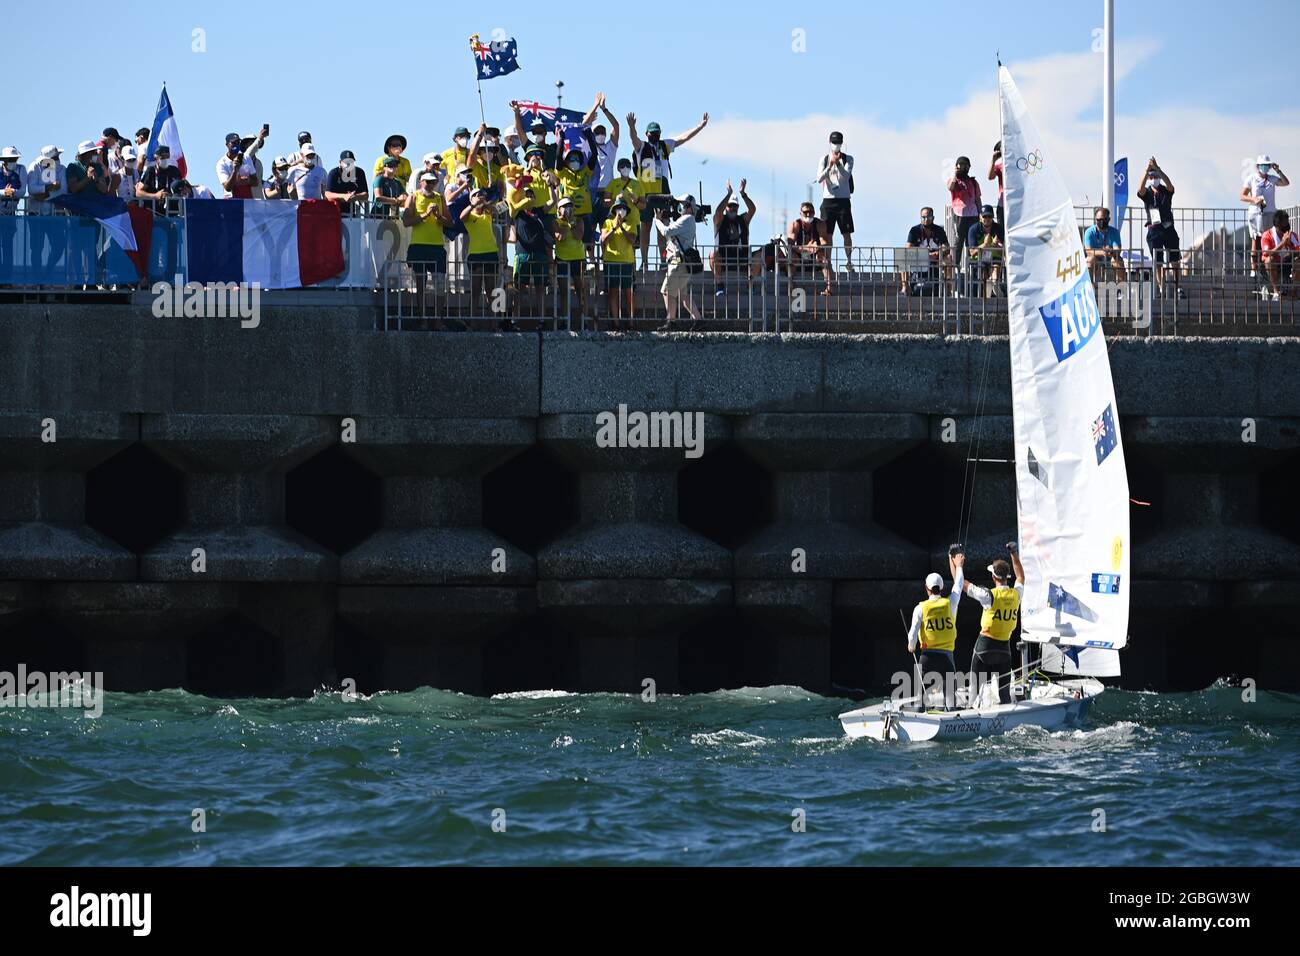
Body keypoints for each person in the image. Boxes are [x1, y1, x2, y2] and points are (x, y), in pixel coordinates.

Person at [626, 111, 708, 269]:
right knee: (645, 227)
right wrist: (631, 126)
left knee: (662, 226)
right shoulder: (642, 147)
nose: (655, 136)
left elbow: (683, 138)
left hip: (662, 191)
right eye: (652, 133)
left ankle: (663, 261)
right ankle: (644, 261)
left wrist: (700, 126)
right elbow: (633, 139)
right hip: (645, 191)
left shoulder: (664, 146)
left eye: (657, 133)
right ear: (647, 134)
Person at [961, 543, 1024, 706]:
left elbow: (962, 584)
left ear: (993, 577)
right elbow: (1020, 576)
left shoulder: (988, 595)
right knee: (1004, 694)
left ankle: (971, 710)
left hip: (985, 646)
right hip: (1004, 648)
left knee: (974, 687)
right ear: (1006, 577)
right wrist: (1014, 554)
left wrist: (956, 565)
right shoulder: (1016, 594)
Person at [906, 552, 965, 710]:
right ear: (942, 588)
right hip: (947, 656)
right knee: (950, 701)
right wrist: (958, 566)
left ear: (927, 589)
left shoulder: (920, 608)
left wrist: (911, 645)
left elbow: (913, 632)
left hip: (927, 656)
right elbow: (959, 584)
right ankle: (950, 712)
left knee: (920, 698)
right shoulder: (951, 603)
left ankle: (919, 711)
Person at [402, 171, 453, 320]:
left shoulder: (439, 198)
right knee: (420, 286)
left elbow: (450, 222)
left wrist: (437, 216)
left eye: (433, 182)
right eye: (427, 182)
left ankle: (438, 320)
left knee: (439, 286)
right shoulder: (413, 197)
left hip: (437, 247)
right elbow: (406, 221)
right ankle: (422, 319)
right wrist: (425, 214)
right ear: (420, 182)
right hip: (419, 246)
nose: (430, 185)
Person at [653, 193, 703, 330]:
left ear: (691, 208)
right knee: (683, 294)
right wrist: (665, 220)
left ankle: (671, 321)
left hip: (678, 263)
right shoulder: (687, 220)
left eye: (685, 205)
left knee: (666, 291)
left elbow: (666, 232)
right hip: (682, 263)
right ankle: (698, 320)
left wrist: (657, 220)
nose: (681, 206)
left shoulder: (686, 219)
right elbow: (673, 232)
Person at [1136, 157, 1183, 299]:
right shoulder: (1147, 193)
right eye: (1152, 176)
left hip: (1168, 228)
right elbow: (1140, 189)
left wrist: (1158, 169)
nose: (1154, 178)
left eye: (1156, 176)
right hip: (1154, 229)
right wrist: (1147, 170)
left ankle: (1177, 287)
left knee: (1175, 260)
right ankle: (1162, 287)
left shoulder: (1165, 190)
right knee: (1158, 261)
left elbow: (1170, 185)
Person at [1241, 155, 1290, 277]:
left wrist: (1278, 170)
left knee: (1270, 238)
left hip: (1270, 212)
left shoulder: (1272, 179)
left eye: (1267, 165)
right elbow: (1242, 196)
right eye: (1263, 165)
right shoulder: (1251, 178)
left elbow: (1286, 183)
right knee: (1255, 240)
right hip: (1256, 213)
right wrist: (1254, 199)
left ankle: (1269, 264)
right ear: (1258, 166)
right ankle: (1254, 268)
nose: (1265, 167)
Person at [816, 131, 855, 273]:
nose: (836, 145)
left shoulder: (848, 158)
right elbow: (819, 178)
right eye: (834, 142)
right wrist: (830, 165)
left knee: (846, 232)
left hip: (843, 201)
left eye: (839, 143)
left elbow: (846, 176)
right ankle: (829, 263)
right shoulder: (824, 159)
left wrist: (838, 164)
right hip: (828, 201)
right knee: (828, 234)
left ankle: (849, 262)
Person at [711, 179, 758, 297]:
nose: (732, 208)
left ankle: (750, 285)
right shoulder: (720, 220)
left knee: (759, 256)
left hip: (741, 257)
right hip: (724, 257)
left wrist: (743, 194)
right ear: (726, 207)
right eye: (730, 206)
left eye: (735, 206)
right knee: (713, 254)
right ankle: (720, 285)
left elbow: (752, 210)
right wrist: (728, 194)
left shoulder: (743, 220)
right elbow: (718, 211)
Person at [460, 187, 500, 314]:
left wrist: (486, 203)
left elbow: (501, 209)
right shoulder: (469, 214)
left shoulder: (488, 212)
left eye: (481, 194)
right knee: (475, 289)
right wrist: (473, 205)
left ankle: (494, 324)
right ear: (471, 199)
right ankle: (472, 322)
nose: (479, 196)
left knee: (491, 290)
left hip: (491, 253)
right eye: (475, 194)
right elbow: (461, 217)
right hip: (475, 255)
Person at [600, 198, 638, 328]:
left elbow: (633, 240)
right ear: (614, 210)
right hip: (611, 261)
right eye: (618, 208)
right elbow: (604, 239)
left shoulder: (631, 223)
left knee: (629, 293)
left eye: (623, 209)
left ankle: (631, 322)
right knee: (613, 292)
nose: (621, 211)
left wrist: (622, 227)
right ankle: (616, 322)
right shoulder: (607, 222)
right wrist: (614, 227)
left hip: (627, 262)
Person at [947, 156, 982, 291]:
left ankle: (972, 268)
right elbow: (951, 187)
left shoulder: (974, 182)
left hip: (973, 214)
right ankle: (955, 267)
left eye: (965, 165)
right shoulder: (954, 179)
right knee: (958, 241)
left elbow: (978, 199)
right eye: (960, 164)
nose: (962, 167)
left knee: (971, 243)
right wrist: (955, 174)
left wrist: (980, 213)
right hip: (959, 213)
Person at [901, 206, 952, 295]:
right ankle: (905, 287)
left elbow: (946, 247)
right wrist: (926, 255)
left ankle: (948, 289)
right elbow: (908, 248)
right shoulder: (915, 230)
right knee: (903, 258)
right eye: (923, 217)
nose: (926, 219)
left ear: (933, 218)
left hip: (936, 259)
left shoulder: (939, 230)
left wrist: (938, 253)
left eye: (929, 217)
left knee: (948, 259)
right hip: (919, 259)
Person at [787, 201, 833, 296]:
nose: (808, 214)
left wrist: (817, 247)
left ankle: (829, 288)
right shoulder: (795, 224)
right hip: (800, 254)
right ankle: (791, 287)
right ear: (800, 213)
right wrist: (806, 248)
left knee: (823, 258)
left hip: (814, 254)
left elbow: (824, 242)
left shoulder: (820, 224)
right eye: (805, 212)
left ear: (814, 213)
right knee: (792, 258)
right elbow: (790, 245)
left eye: (811, 212)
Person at [553, 197, 587, 322]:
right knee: (563, 291)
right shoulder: (556, 222)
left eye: (570, 206)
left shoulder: (579, 220)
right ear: (559, 209)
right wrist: (565, 222)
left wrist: (571, 223)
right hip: (562, 258)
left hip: (578, 258)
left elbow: (579, 236)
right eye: (565, 206)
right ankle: (563, 319)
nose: (568, 209)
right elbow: (559, 237)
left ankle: (585, 319)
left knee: (580, 290)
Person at [442, 165, 475, 294]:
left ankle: (462, 286)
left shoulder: (467, 190)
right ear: (457, 175)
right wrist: (463, 187)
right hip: (454, 227)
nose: (467, 175)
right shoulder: (451, 186)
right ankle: (450, 286)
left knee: (464, 256)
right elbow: (449, 199)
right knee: (454, 256)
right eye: (464, 173)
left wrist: (470, 188)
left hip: (465, 227)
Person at [1260, 209, 1299, 301]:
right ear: (1277, 226)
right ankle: (1276, 292)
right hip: (1272, 267)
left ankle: (1293, 292)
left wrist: (1290, 245)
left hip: (1288, 265)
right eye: (1283, 225)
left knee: (1298, 261)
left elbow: (1298, 251)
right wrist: (1282, 244)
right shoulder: (1267, 235)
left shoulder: (1292, 235)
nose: (1285, 228)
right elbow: (1266, 253)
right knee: (1270, 260)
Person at [215, 128, 266, 199]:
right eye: (233, 143)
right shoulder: (221, 163)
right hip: (232, 202)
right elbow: (227, 187)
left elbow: (256, 181)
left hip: (247, 201)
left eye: (238, 142)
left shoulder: (246, 158)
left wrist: (248, 180)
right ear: (227, 144)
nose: (236, 145)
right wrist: (235, 171)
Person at [966, 205, 1004, 297]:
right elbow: (972, 252)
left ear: (993, 217)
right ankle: (987, 298)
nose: (987, 219)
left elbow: (1003, 252)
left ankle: (995, 285)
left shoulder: (999, 229)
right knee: (984, 274)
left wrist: (997, 245)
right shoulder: (973, 229)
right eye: (984, 216)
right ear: (980, 217)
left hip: (994, 257)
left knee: (996, 267)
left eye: (990, 216)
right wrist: (984, 245)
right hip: (978, 259)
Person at [1083, 206, 1126, 284]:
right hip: (1096, 258)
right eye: (1098, 220)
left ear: (1108, 219)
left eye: (1104, 219)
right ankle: (1090, 287)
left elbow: (1117, 249)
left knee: (1118, 261)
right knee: (1089, 260)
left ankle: (1120, 290)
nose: (1101, 222)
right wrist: (1103, 252)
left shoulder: (1114, 232)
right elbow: (1088, 251)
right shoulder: (1089, 232)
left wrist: (1111, 251)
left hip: (1110, 257)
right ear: (1095, 220)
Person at [0, 146, 25, 281]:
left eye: (14, 159)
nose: (13, 161)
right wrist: (4, 192)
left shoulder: (21, 170)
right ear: (4, 160)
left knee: (8, 247)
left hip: (10, 215)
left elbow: (23, 191)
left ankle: (7, 278)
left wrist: (13, 192)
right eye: (10, 159)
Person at [136, 145, 180, 214]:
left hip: (171, 211)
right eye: (163, 157)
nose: (166, 159)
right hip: (153, 211)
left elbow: (180, 188)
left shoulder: (175, 171)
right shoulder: (151, 171)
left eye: (167, 157)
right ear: (156, 158)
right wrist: (155, 196)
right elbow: (138, 193)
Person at [987, 141, 1004, 227]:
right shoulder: (999, 166)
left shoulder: (1017, 163)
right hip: (1002, 203)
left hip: (1017, 203)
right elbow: (990, 177)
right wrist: (993, 161)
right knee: (1001, 228)